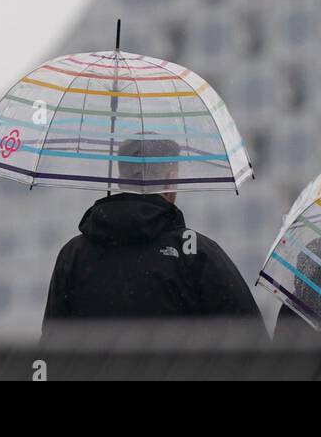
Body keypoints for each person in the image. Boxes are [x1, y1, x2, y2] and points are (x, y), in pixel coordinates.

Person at [42, 134, 262, 336]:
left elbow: (51, 351)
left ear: (120, 180)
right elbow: (252, 344)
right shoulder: (195, 253)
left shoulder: (73, 256)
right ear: (171, 180)